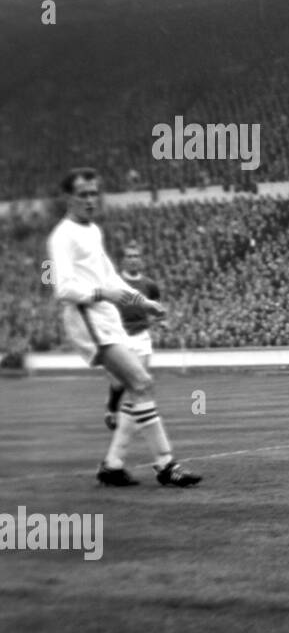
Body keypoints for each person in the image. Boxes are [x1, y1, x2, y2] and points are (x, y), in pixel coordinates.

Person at [47, 169, 201, 487]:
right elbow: (62, 288)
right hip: (87, 320)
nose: (90, 199)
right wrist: (103, 294)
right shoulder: (62, 236)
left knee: (137, 389)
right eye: (83, 194)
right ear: (68, 197)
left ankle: (113, 465)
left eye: (94, 193)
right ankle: (166, 465)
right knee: (141, 381)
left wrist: (142, 302)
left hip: (105, 317)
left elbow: (111, 279)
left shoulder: (91, 231)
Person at [104, 240, 162, 431]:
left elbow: (156, 308)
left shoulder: (150, 285)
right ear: (123, 261)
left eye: (136, 256)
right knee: (119, 383)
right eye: (129, 256)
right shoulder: (114, 283)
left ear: (141, 260)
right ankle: (112, 408)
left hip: (142, 336)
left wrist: (161, 320)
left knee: (140, 383)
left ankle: (130, 422)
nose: (133, 260)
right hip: (119, 337)